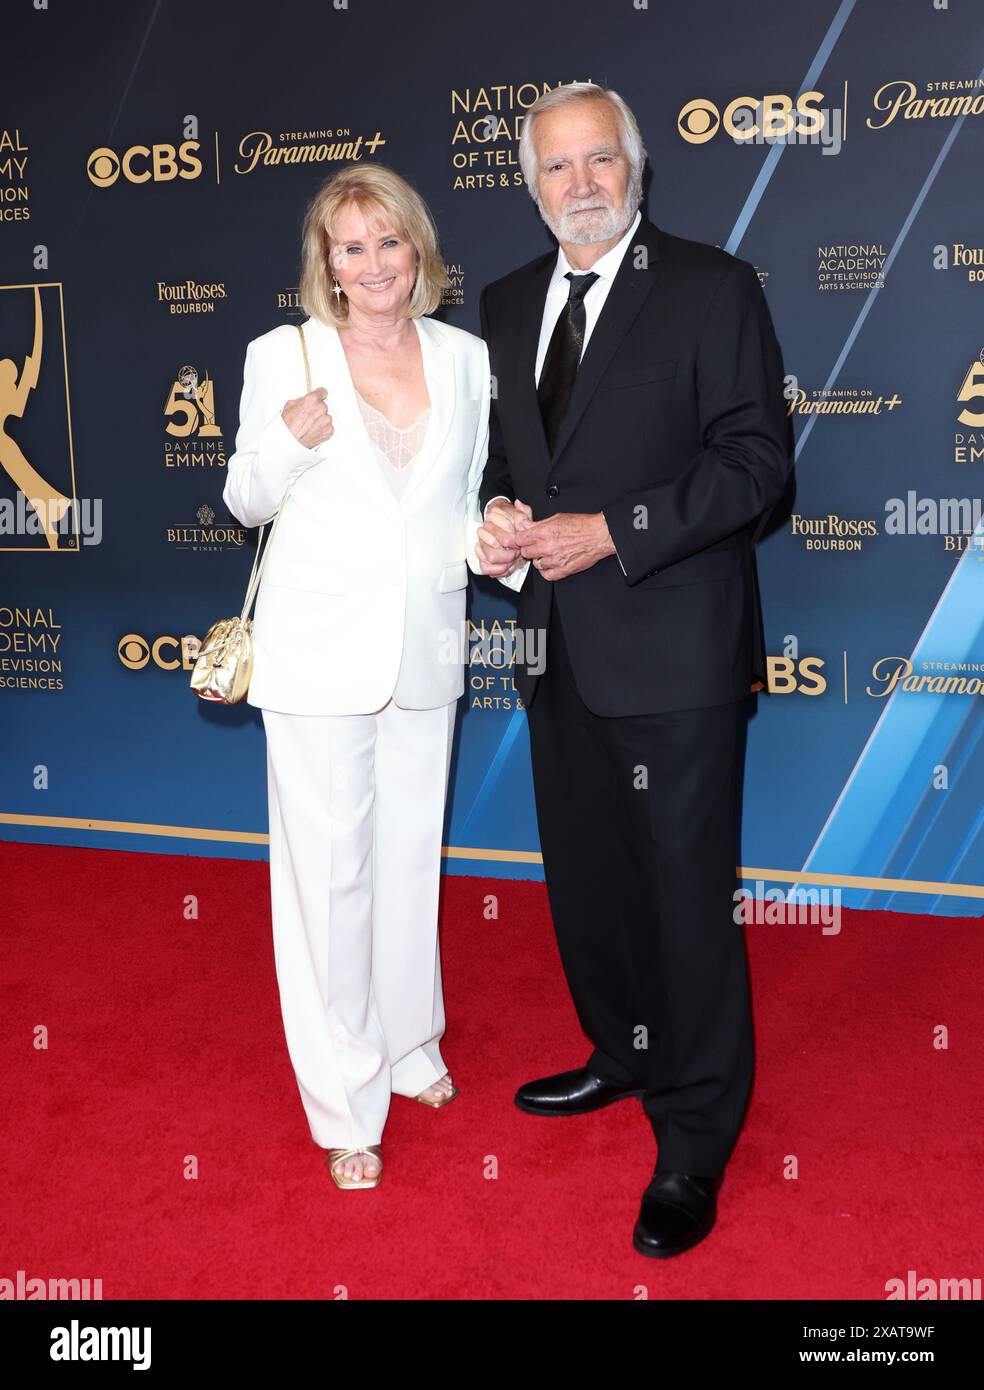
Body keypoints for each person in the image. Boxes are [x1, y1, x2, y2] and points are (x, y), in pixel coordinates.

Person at [474, 82, 794, 1256]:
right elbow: (502, 466)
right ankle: (624, 1051)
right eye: (556, 167)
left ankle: (697, 1138)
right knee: (593, 887)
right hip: (557, 654)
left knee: (685, 905)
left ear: (638, 167)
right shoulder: (505, 304)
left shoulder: (712, 288)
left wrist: (620, 529)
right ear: (531, 183)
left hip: (677, 656)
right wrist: (496, 520)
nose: (582, 183)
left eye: (600, 158)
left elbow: (758, 464)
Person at [223, 163, 491, 1189]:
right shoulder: (282, 355)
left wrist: (493, 539)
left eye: (387, 242)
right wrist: (288, 444)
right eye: (350, 246)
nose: (371, 263)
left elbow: (458, 508)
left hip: (423, 650)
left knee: (409, 860)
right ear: (325, 264)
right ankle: (344, 1102)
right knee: (328, 880)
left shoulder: (465, 358)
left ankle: (412, 1046)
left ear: (416, 249)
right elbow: (246, 499)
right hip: (318, 656)